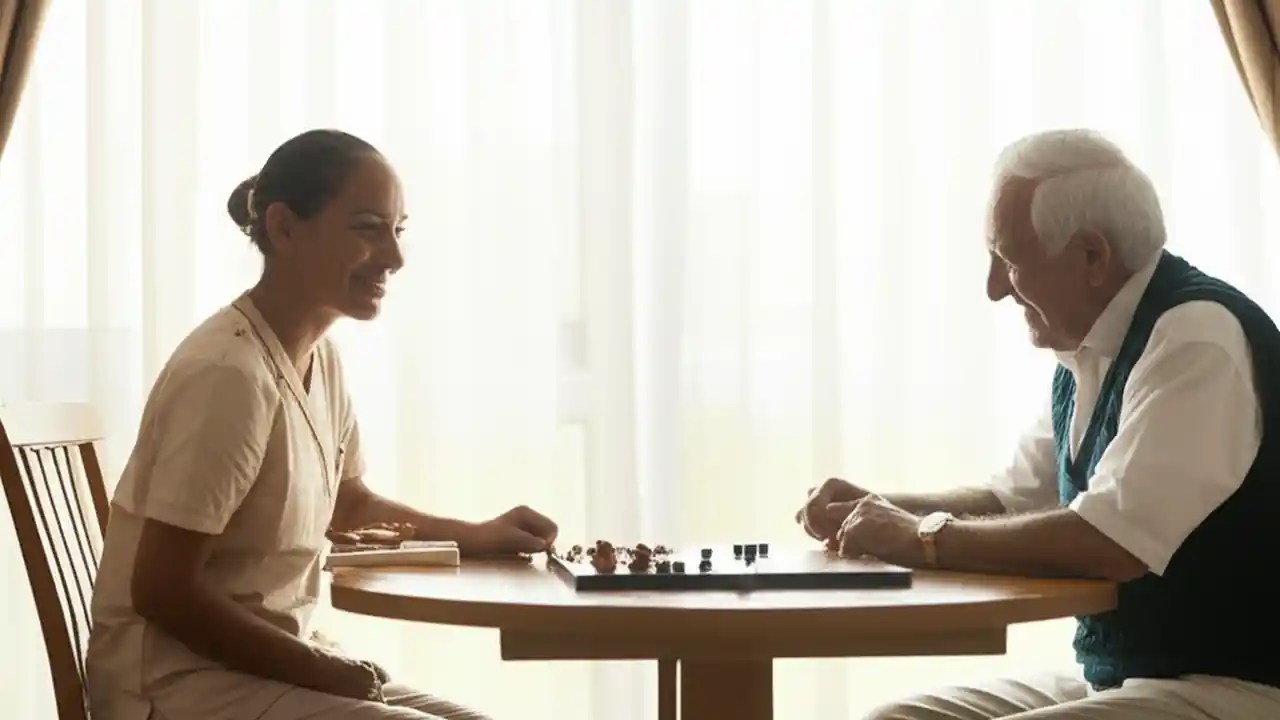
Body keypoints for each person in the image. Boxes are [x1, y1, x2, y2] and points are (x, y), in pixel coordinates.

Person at [797, 128, 1280, 718]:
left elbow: (1109, 542)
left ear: (1092, 256)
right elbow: (1011, 500)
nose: (995, 288)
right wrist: (878, 508)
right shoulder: (1095, 348)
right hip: (1140, 680)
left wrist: (919, 538)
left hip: (1238, 687)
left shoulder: (1195, 339)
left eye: (1007, 260)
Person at [87, 128, 559, 720]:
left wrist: (477, 533)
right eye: (367, 228)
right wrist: (320, 670)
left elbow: (349, 505)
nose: (394, 256)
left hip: (261, 667)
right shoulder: (227, 374)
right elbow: (161, 589)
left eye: (398, 229)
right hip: (177, 687)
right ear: (284, 228)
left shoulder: (318, 357)